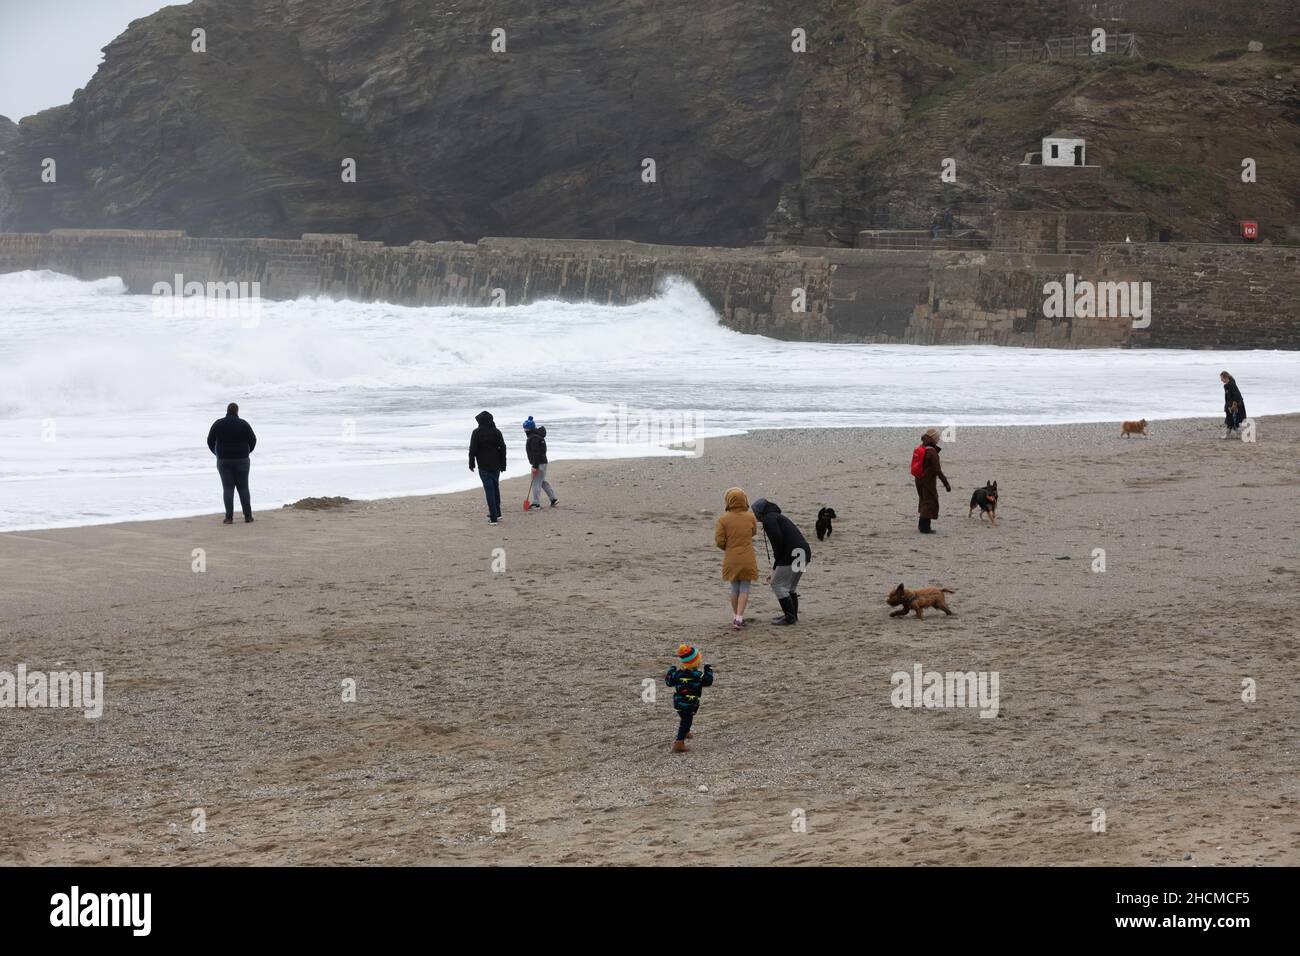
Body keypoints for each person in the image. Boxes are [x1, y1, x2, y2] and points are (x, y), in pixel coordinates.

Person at [751, 497, 812, 625]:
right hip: (804, 551)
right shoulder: (777, 517)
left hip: (792, 553)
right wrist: (776, 567)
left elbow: (778, 541)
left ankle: (789, 617)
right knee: (790, 587)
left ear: (759, 512)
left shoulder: (769, 519)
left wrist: (775, 568)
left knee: (776, 584)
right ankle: (793, 615)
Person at [714, 487, 759, 630]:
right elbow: (753, 532)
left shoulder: (723, 519)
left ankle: (735, 617)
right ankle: (739, 618)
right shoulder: (750, 516)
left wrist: (729, 547)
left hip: (731, 557)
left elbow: (719, 541)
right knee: (745, 588)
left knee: (734, 588)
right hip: (747, 556)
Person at [206, 402, 257, 524]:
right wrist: (247, 452)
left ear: (227, 411)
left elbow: (209, 441)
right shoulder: (243, 424)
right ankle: (248, 516)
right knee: (243, 488)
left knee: (228, 489)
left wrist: (217, 453)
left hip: (224, 461)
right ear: (237, 411)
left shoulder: (218, 424)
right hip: (242, 460)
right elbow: (253, 440)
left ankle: (229, 518)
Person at [665, 644, 714, 754]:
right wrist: (708, 670)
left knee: (685, 719)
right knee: (686, 721)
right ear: (696, 662)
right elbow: (708, 681)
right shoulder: (698, 675)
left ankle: (686, 731)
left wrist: (670, 671)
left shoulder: (677, 674)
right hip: (690, 704)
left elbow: (668, 682)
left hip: (678, 703)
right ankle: (679, 743)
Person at [468, 410, 507, 524]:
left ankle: (494, 518)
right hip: (496, 465)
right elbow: (503, 449)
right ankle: (498, 513)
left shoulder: (476, 432)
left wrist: (471, 464)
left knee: (489, 490)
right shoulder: (497, 432)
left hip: (484, 466)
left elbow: (472, 450)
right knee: (495, 488)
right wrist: (503, 465)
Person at [912, 428, 951, 534]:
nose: (938, 439)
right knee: (930, 502)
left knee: (924, 500)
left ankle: (922, 526)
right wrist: (946, 484)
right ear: (933, 438)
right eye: (937, 437)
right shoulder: (931, 452)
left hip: (918, 479)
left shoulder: (922, 447)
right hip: (928, 481)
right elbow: (937, 470)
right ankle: (925, 528)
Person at [523, 416, 557, 511]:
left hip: (538, 463)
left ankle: (536, 503)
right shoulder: (538, 436)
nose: (524, 430)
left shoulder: (533, 438)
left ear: (528, 429)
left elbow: (536, 453)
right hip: (543, 462)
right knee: (541, 481)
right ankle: (553, 498)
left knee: (535, 482)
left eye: (525, 428)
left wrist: (534, 466)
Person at [1221, 371, 1247, 439]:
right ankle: (1233, 434)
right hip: (1230, 405)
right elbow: (1228, 398)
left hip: (1236, 405)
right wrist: (1226, 406)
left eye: (1221, 378)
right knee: (1231, 420)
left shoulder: (1232, 384)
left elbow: (1237, 396)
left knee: (1233, 420)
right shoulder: (1227, 385)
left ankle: (1232, 435)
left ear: (1225, 377)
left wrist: (1234, 406)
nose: (1221, 380)